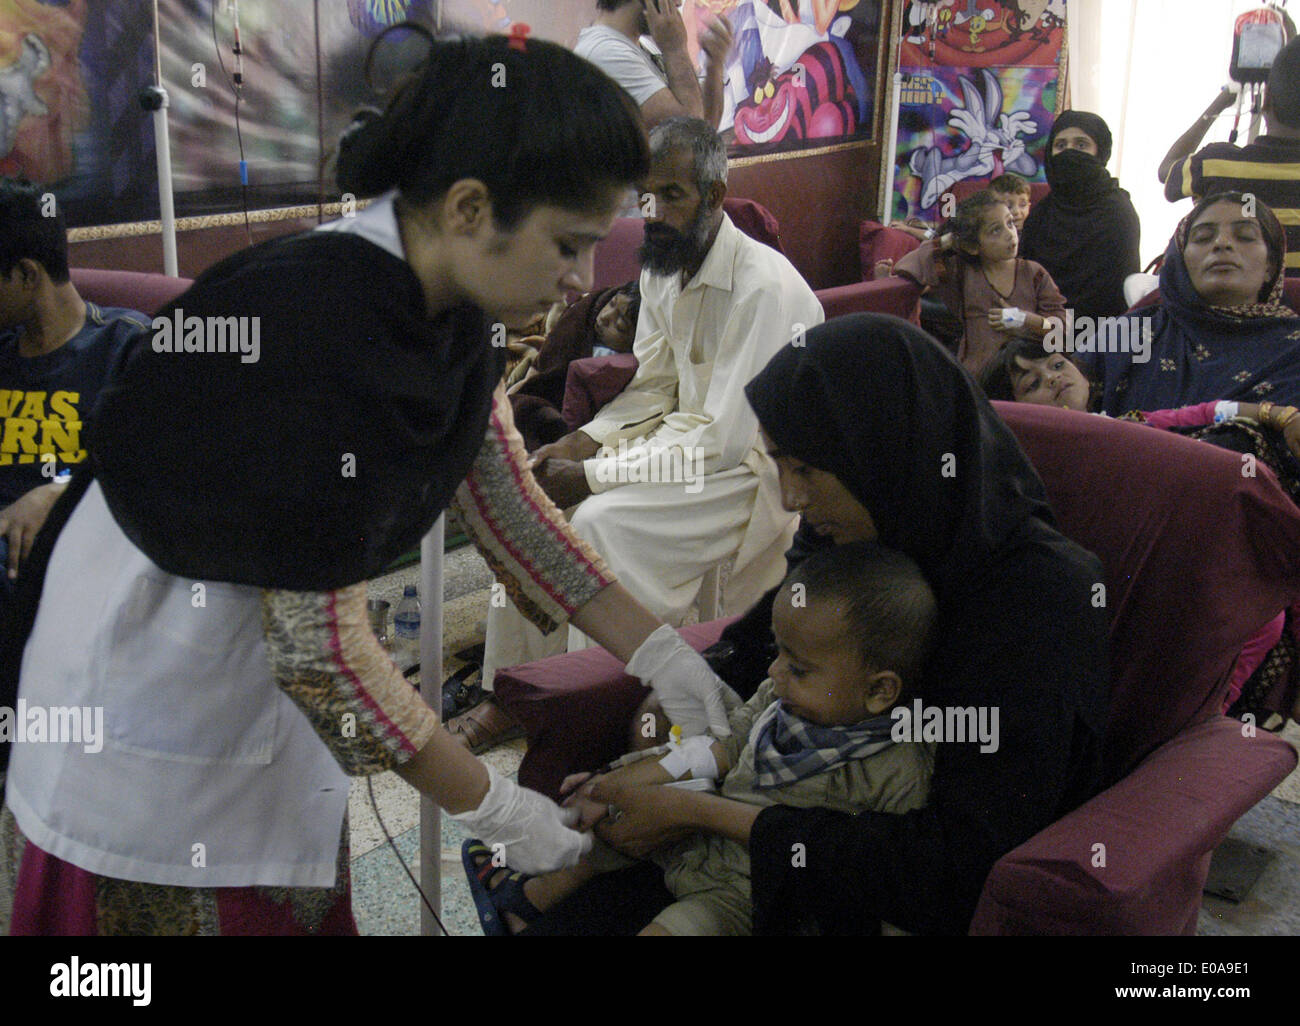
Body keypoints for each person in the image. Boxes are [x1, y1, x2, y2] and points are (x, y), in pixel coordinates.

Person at [0, 31, 744, 937]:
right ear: (471, 207)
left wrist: (662, 655)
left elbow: (509, 508)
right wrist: (493, 808)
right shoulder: (322, 337)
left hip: (254, 682)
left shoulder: (445, 309)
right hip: (155, 697)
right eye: (570, 243)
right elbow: (324, 656)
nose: (583, 279)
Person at [509, 315, 1110, 936]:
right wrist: (662, 732)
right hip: (739, 839)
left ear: (884, 451)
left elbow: (953, 867)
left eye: (808, 471)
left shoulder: (1038, 602)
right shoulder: (848, 532)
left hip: (863, 888)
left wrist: (696, 812)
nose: (792, 500)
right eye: (779, 466)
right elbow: (758, 650)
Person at [454, 117, 821, 752]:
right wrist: (583, 442)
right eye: (643, 195)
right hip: (687, 446)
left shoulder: (764, 287)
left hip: (756, 470)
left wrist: (594, 475)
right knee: (534, 506)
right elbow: (654, 387)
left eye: (671, 195)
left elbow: (729, 442)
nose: (652, 212)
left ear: (712, 195)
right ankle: (509, 690)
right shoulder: (662, 269)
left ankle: (585, 710)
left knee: (598, 524)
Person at [463, 541, 937, 936]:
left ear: (879, 690)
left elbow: (887, 888)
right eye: (777, 652)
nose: (773, 672)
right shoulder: (779, 699)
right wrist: (619, 781)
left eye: (798, 667)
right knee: (603, 825)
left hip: (738, 893)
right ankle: (520, 902)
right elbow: (720, 751)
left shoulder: (898, 768)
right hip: (695, 839)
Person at [980, 335, 1300, 722]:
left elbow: (1208, 411)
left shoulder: (1130, 423)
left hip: (1195, 555)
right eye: (1031, 384)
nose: (1051, 377)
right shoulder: (1045, 470)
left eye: (1057, 364)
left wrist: (1276, 414)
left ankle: (1217, 709)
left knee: (1268, 611)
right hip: (1135, 579)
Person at [0, 179, 148, 594]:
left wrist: (58, 492)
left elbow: (164, 463)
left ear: (27, 275)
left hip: (65, 551)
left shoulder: (128, 346)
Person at [1083, 192, 1300, 418]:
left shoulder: (1292, 350)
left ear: (1270, 266)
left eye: (1244, 236)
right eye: (1203, 237)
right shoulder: (1126, 334)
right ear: (1180, 260)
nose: (1222, 243)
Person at [1160, 39, 1300, 277]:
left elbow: (1166, 172)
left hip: (1223, 308)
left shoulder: (1214, 164)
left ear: (1266, 100)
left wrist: (1222, 100)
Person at [892, 190, 1066, 375]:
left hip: (1029, 378)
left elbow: (1060, 330)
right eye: (995, 230)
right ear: (972, 246)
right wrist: (949, 240)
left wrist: (1025, 320)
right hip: (978, 377)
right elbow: (907, 266)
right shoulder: (960, 273)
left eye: (1010, 223)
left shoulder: (1034, 274)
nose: (1010, 234)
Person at [1019, 111, 1141, 321]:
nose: (1069, 153)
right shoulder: (1043, 212)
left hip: (1101, 336)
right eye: (1061, 146)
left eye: (1081, 145)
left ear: (1099, 152)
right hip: (1040, 327)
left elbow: (1117, 293)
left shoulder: (1118, 212)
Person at [507, 281, 640, 451]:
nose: (605, 317)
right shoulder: (583, 316)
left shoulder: (619, 365)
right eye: (610, 304)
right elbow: (542, 368)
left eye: (620, 326)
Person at [576, 0, 733, 130]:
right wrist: (675, 48)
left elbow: (706, 131)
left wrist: (714, 66)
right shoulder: (605, 53)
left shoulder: (644, 46)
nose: (678, 4)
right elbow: (690, 136)